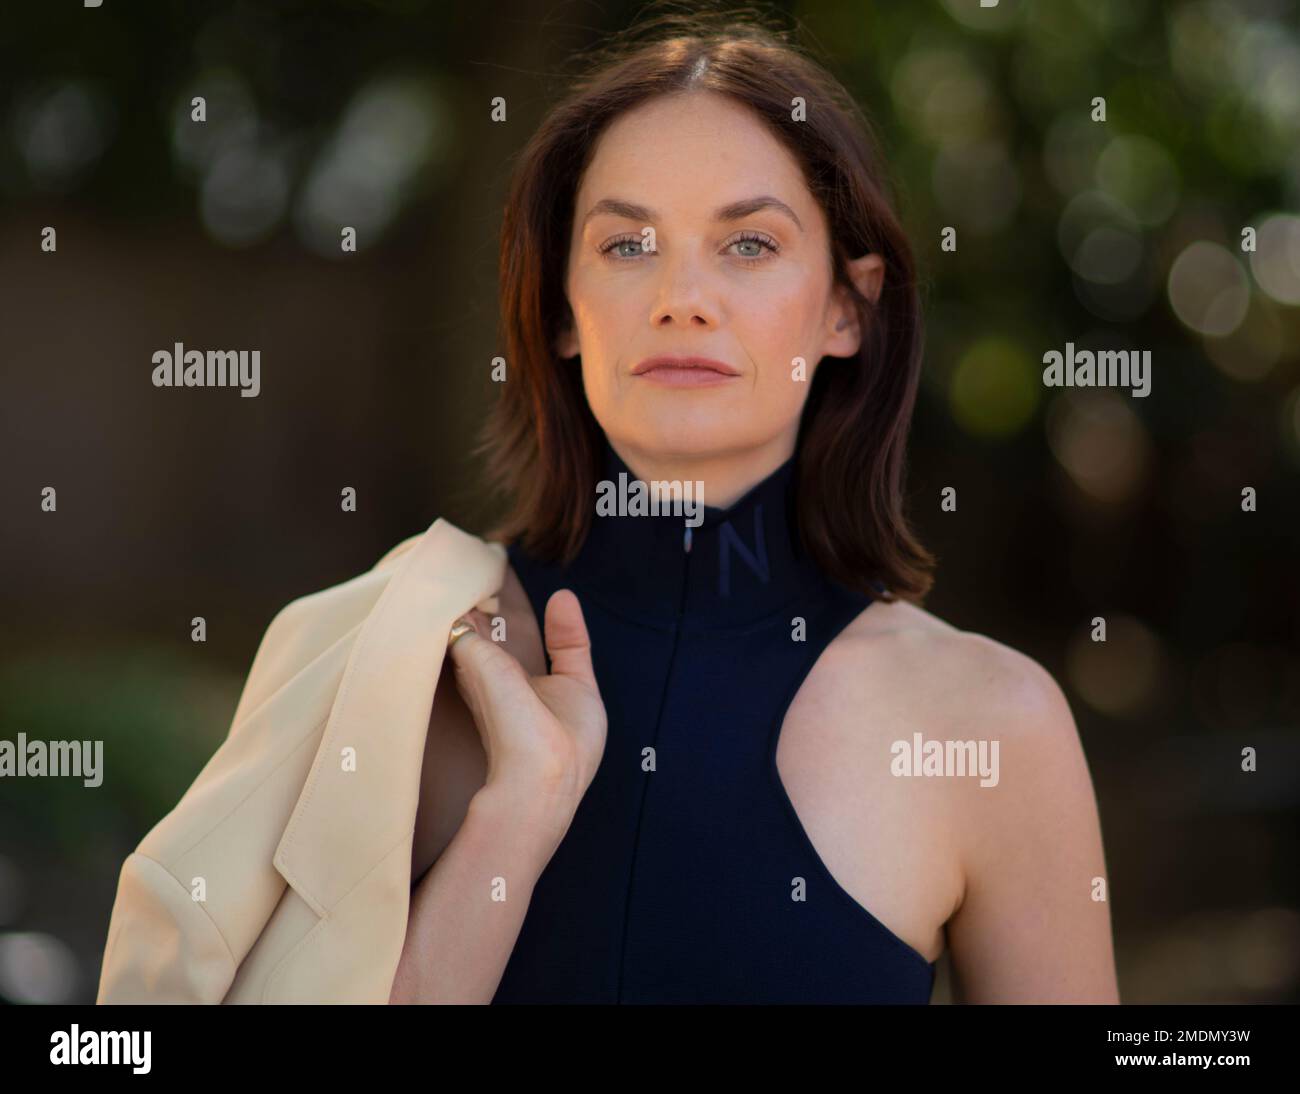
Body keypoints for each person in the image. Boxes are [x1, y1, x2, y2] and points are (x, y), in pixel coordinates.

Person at [388, 17, 1120, 1005]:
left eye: (747, 242)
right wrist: (509, 813)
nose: (683, 297)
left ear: (846, 308)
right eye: (627, 242)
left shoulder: (991, 722)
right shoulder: (390, 659)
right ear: (561, 305)